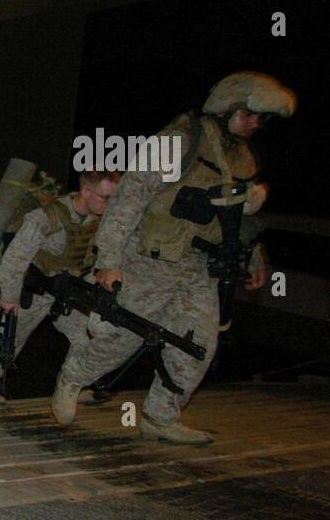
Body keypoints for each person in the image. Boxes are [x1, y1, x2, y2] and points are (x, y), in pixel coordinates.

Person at [51, 71, 295, 443]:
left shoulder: (242, 157)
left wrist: (256, 254)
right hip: (146, 259)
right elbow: (128, 199)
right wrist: (108, 260)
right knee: (122, 336)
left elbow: (237, 215)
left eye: (260, 119)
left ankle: (160, 416)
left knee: (197, 345)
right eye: (247, 115)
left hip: (197, 266)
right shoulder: (179, 142)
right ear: (225, 107)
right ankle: (73, 378)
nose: (254, 124)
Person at [0, 170, 122, 404]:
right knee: (10, 335)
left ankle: (72, 384)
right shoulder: (46, 217)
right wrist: (9, 297)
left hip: (67, 291)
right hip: (35, 289)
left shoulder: (98, 221)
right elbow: (15, 259)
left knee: (86, 336)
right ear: (86, 192)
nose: (111, 204)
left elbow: (93, 261)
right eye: (106, 198)